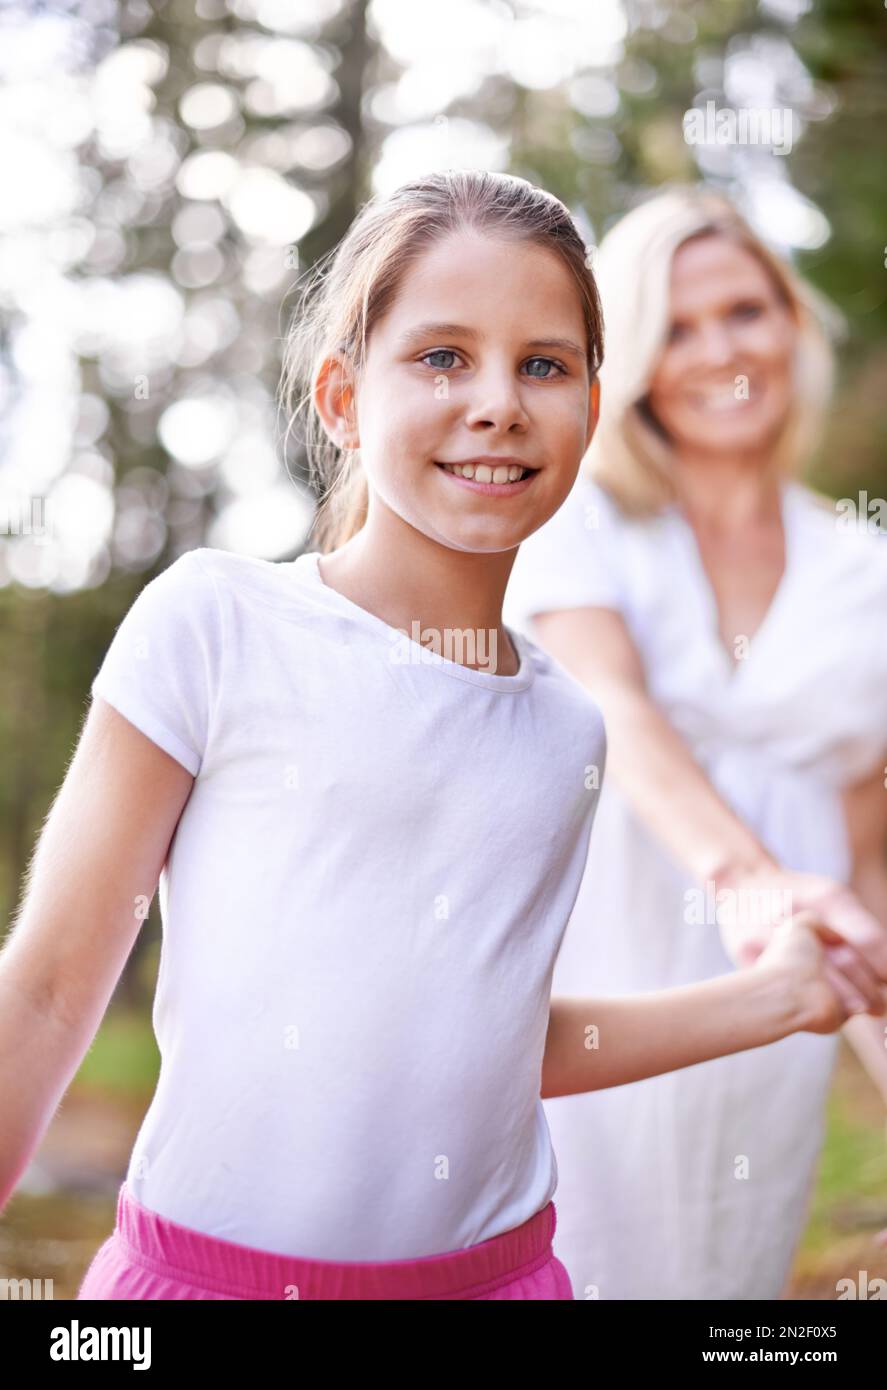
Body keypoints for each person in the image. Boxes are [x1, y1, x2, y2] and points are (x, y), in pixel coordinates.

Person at [0, 172, 882, 1303]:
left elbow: (491, 1043)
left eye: (543, 365)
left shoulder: (565, 725)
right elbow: (46, 990)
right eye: (440, 357)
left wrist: (779, 997)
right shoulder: (215, 622)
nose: (497, 402)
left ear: (591, 409)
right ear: (340, 399)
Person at [503, 185, 887, 1300]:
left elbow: (865, 852)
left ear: (792, 324)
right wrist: (744, 876)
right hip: (589, 995)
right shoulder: (579, 518)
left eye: (744, 311)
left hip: (778, 1018)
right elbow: (614, 709)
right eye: (674, 326)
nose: (718, 350)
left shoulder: (863, 572)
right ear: (630, 360)